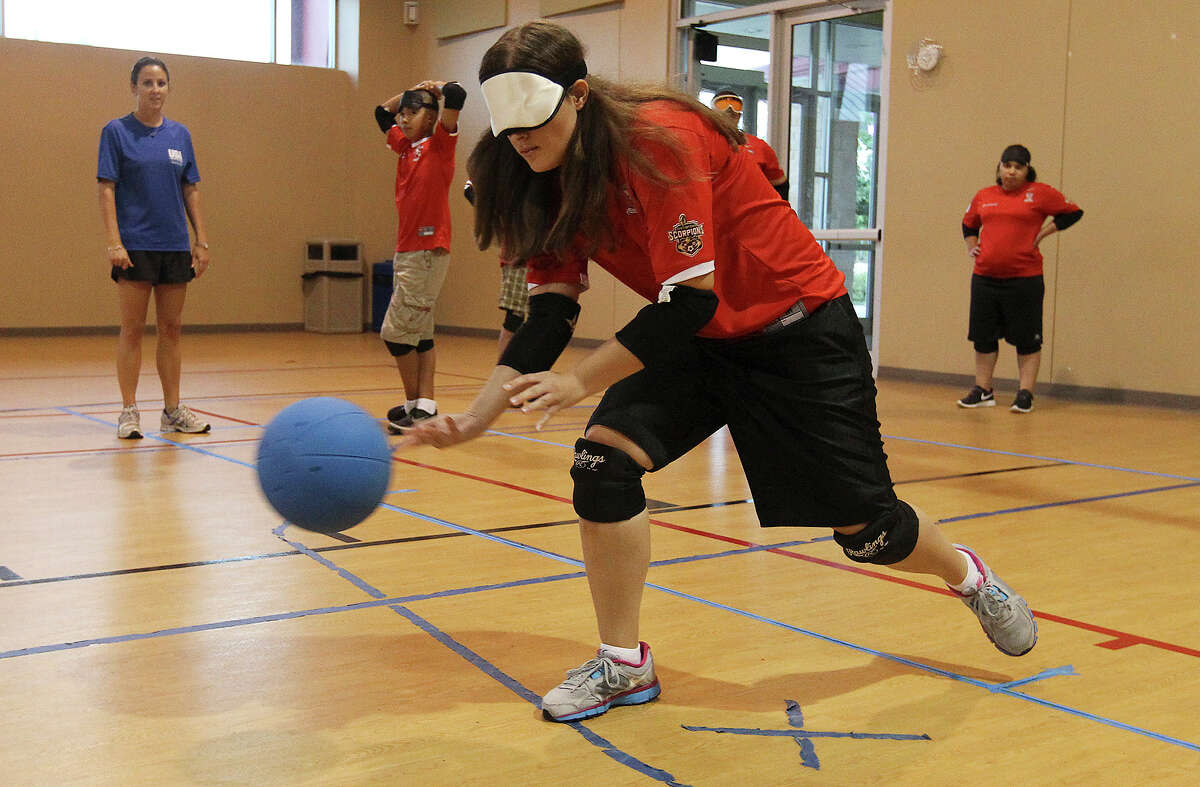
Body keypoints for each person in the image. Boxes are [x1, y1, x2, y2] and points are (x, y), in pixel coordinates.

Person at [401, 21, 1037, 724]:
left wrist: (580, 382)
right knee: (599, 463)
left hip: (797, 331)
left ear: (579, 96)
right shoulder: (533, 175)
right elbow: (550, 315)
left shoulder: (658, 140)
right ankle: (623, 663)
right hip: (705, 337)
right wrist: (474, 418)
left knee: (870, 534)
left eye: (536, 119)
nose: (522, 139)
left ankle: (968, 576)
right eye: (509, 124)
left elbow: (686, 299)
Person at [98, 56, 212, 440]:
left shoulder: (180, 135)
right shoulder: (116, 132)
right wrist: (114, 241)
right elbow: (107, 188)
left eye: (161, 83)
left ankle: (172, 410)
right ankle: (129, 411)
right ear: (134, 88)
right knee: (132, 329)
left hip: (174, 246)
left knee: (172, 329)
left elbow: (190, 188)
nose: (155, 90)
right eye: (147, 83)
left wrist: (201, 240)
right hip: (135, 246)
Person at [958, 144, 1083, 413]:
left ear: (1027, 170)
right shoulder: (984, 196)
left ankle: (1025, 393)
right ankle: (983, 390)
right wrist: (972, 245)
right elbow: (969, 223)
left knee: (1027, 339)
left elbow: (1073, 213)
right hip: (985, 278)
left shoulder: (1040, 194)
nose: (1012, 171)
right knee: (983, 337)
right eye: (1007, 165)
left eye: (1018, 167)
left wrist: (1043, 233)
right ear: (1000, 167)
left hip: (1024, 279)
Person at [374, 79, 466, 432]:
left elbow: (457, 95)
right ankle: (421, 404)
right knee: (420, 334)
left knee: (395, 333)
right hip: (407, 251)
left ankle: (417, 408)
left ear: (432, 118)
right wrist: (411, 91)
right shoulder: (403, 147)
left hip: (427, 251)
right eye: (404, 113)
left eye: (414, 113)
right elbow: (381, 113)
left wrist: (437, 90)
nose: (404, 119)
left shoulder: (439, 146)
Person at [464, 179, 530, 357]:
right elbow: (469, 188)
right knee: (514, 318)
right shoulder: (508, 169)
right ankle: (504, 372)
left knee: (537, 319)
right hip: (519, 255)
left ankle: (519, 370)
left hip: (536, 252)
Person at [711, 87, 789, 201]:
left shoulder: (760, 147)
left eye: (735, 105)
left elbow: (780, 186)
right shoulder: (704, 143)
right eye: (722, 104)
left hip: (750, 212)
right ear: (712, 112)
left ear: (739, 115)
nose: (730, 109)